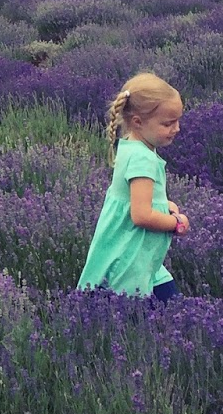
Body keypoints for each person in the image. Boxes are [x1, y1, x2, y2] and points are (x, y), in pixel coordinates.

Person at [77, 72, 189, 301]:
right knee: (129, 313)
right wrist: (176, 223)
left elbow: (133, 196)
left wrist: (164, 203)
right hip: (132, 251)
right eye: (168, 123)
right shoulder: (143, 159)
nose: (176, 128)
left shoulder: (132, 146)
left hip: (141, 251)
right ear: (138, 122)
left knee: (169, 303)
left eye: (178, 121)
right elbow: (141, 214)